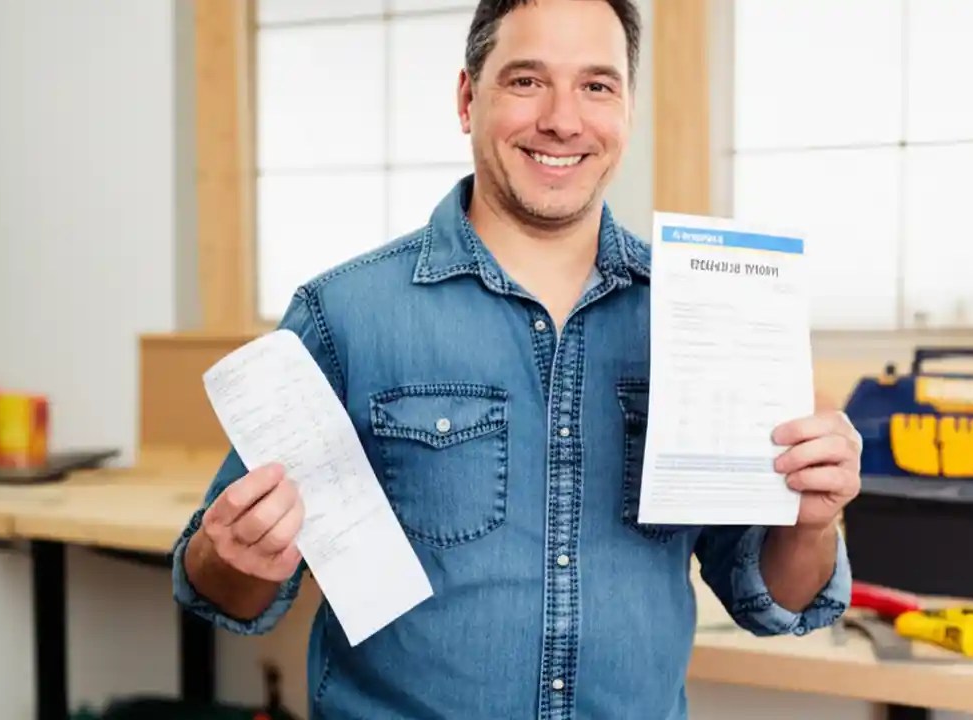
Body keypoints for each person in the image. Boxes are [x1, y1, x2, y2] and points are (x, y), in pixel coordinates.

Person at [172, 0, 861, 717]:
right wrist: (230, 554)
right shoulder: (342, 315)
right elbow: (227, 594)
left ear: (628, 107)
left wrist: (811, 522)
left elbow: (771, 601)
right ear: (468, 99)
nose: (563, 119)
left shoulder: (707, 313)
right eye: (527, 81)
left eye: (596, 85)